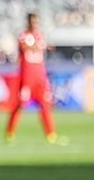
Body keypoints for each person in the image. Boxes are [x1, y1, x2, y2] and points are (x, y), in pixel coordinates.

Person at [5, 13, 66, 145]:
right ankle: (10, 133)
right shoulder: (24, 35)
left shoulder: (40, 35)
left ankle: (51, 134)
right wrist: (37, 46)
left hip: (40, 75)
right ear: (28, 21)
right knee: (20, 104)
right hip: (27, 75)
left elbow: (42, 47)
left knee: (46, 105)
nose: (34, 23)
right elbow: (25, 47)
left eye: (36, 21)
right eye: (32, 21)